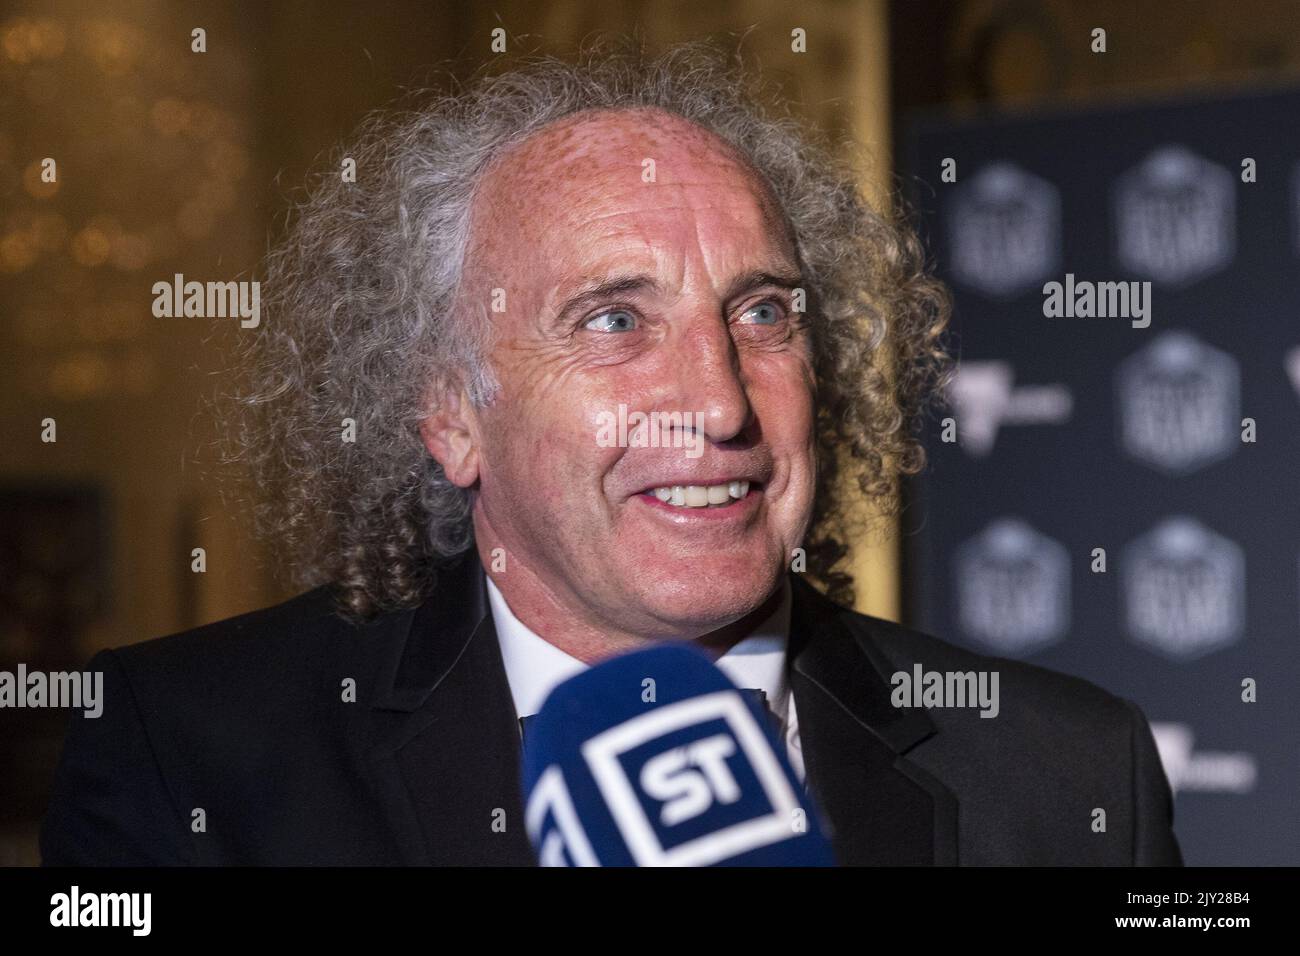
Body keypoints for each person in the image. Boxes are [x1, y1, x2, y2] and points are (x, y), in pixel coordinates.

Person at [41, 41, 1182, 866]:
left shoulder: (1067, 775)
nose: (716, 401)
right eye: (612, 320)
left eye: (763, 313)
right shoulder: (189, 754)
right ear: (449, 410)